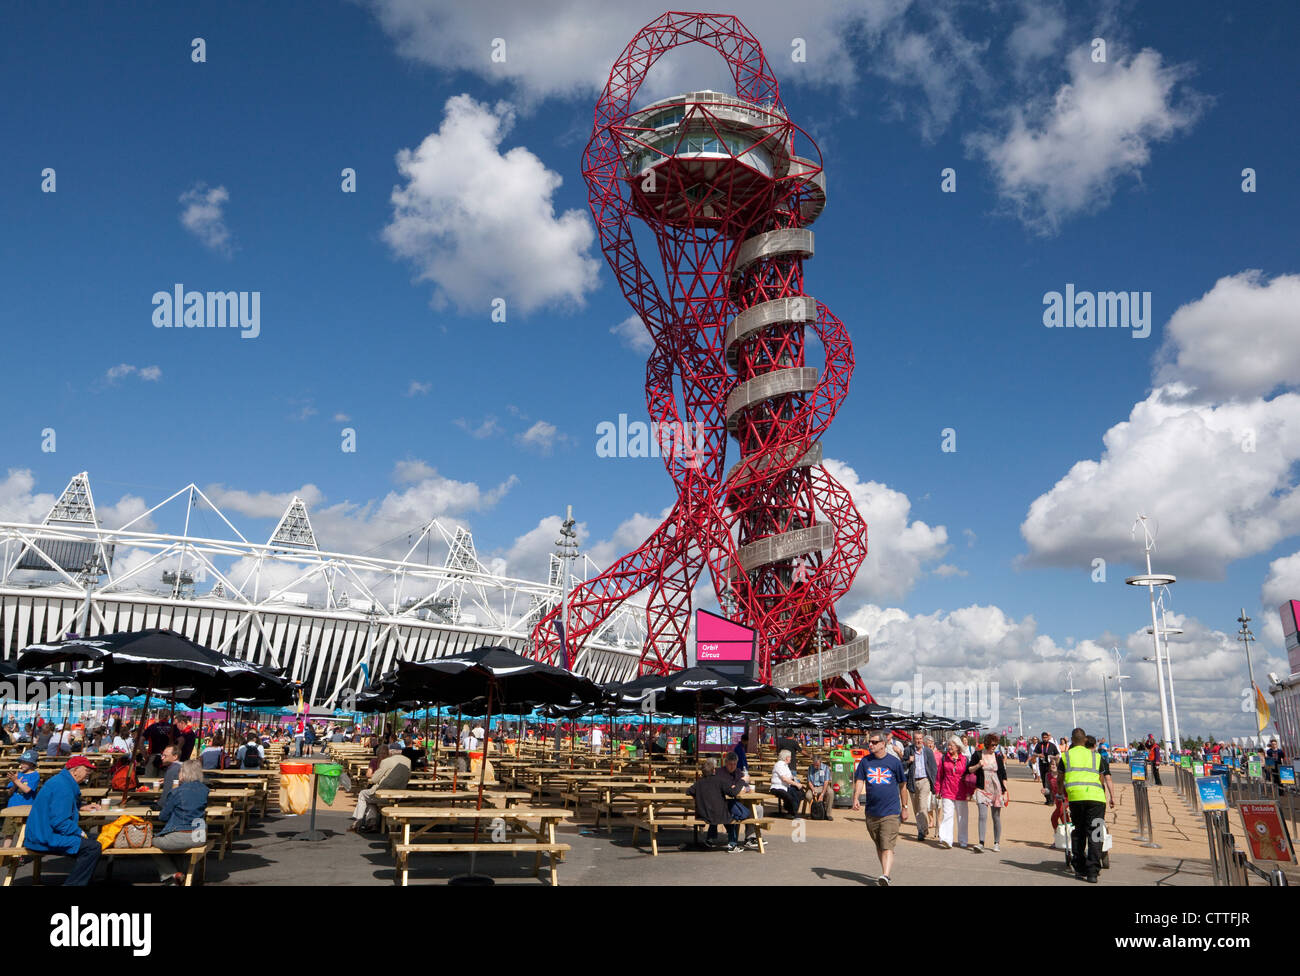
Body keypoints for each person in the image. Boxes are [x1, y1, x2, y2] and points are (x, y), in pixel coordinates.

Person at [24, 755, 102, 885]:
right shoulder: (63, 787)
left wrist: (79, 807)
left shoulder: (61, 781)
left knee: (96, 840)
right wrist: (80, 833)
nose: (89, 774)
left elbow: (58, 809)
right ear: (75, 770)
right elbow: (60, 822)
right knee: (93, 847)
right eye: (86, 770)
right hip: (44, 838)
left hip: (41, 834)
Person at [851, 732, 907, 886]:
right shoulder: (865, 762)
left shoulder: (894, 763)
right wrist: (855, 798)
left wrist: (905, 807)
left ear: (883, 744)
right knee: (880, 845)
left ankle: (885, 875)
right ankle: (885, 873)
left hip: (891, 812)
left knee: (887, 844)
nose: (871, 745)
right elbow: (860, 780)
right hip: (871, 812)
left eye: (874, 742)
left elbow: (903, 785)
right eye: (870, 742)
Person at [1060, 727, 1107, 883]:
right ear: (1085, 739)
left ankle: (1079, 868)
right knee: (1096, 834)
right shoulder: (1096, 756)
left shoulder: (1066, 756)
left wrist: (1061, 793)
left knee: (1079, 832)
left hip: (1076, 797)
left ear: (1072, 740)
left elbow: (1060, 777)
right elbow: (1101, 778)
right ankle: (1093, 871)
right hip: (1096, 799)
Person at [152, 759, 208, 885]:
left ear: (183, 773)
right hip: (199, 836)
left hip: (180, 836)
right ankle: (176, 878)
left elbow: (163, 817)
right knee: (176, 845)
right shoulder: (204, 790)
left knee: (151, 842)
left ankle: (172, 874)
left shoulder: (176, 792)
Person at [687, 757, 745, 852]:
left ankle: (710, 839)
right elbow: (733, 792)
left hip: (704, 813)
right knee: (730, 817)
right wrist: (741, 782)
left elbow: (689, 791)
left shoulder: (699, 783)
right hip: (719, 813)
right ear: (714, 770)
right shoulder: (719, 780)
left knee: (716, 814)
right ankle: (732, 844)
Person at [349, 746, 411, 832]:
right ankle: (372, 823)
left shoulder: (386, 762)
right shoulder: (407, 761)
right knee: (370, 800)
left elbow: (374, 779)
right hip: (398, 795)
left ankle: (358, 821)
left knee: (363, 794)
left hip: (384, 794)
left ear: (390, 752)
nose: (384, 754)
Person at [968, 733, 1009, 853]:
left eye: (996, 745)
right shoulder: (978, 755)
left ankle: (996, 843)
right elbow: (969, 769)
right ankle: (981, 843)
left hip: (996, 790)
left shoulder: (998, 757)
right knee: (982, 816)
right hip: (982, 789)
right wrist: (978, 765)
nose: (994, 747)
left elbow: (1003, 775)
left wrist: (1005, 792)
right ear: (987, 744)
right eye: (992, 744)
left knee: (996, 817)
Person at [935, 735, 974, 849]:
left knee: (962, 817)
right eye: (949, 745)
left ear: (958, 747)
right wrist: (938, 790)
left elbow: (969, 777)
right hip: (947, 790)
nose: (949, 747)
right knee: (947, 815)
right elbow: (939, 776)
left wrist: (969, 792)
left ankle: (963, 840)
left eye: (951, 745)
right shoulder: (944, 758)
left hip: (961, 791)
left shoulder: (965, 759)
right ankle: (946, 839)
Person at [716, 751, 759, 849]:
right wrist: (739, 785)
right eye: (730, 764)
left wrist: (744, 788)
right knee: (735, 813)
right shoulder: (720, 772)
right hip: (724, 803)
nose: (732, 766)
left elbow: (746, 787)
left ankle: (750, 837)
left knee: (758, 809)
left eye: (734, 764)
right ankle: (734, 840)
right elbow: (730, 790)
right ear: (725, 762)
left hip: (737, 801)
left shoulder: (738, 772)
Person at [903, 730, 938, 841]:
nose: (918, 741)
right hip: (912, 782)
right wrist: (908, 761)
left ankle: (921, 831)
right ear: (913, 739)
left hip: (925, 781)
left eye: (920, 739)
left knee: (923, 806)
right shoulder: (908, 750)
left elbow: (933, 768)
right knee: (916, 808)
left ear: (923, 740)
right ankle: (924, 828)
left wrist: (934, 783)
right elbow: (902, 765)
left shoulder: (928, 751)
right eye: (916, 739)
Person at [3, 749, 40, 848]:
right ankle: (3, 856)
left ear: (32, 764)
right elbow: (9, 792)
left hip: (24, 810)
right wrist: (15, 783)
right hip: (11, 808)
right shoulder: (18, 774)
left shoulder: (35, 775)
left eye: (24, 762)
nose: (21, 765)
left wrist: (16, 781)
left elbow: (27, 790)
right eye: (21, 762)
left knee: (22, 835)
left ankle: (19, 857)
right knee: (8, 834)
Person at [769, 749, 804, 816]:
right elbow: (784, 779)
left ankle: (792, 811)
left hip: (786, 787)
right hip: (777, 787)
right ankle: (793, 812)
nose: (791, 758)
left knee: (799, 793)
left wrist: (796, 781)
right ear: (786, 758)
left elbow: (790, 777)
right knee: (790, 797)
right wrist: (796, 784)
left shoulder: (786, 765)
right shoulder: (779, 765)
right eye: (790, 757)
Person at [1032, 732, 1059, 803]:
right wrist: (1038, 755)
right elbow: (1034, 753)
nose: (1045, 739)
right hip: (1042, 765)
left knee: (1050, 782)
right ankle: (1048, 799)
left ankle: (1051, 799)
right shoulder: (1039, 745)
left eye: (1046, 737)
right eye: (1043, 737)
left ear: (1048, 737)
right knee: (1044, 782)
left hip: (1050, 766)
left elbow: (1058, 754)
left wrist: (1052, 757)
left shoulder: (1052, 745)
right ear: (1041, 738)